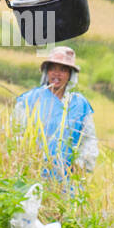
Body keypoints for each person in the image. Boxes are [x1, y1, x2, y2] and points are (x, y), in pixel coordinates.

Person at [13, 46, 98, 184]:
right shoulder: (30, 99)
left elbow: (89, 140)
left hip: (67, 180)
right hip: (32, 176)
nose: (56, 74)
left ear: (70, 75)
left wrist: (80, 164)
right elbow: (16, 133)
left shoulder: (79, 105)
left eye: (63, 70)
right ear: (47, 72)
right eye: (53, 69)